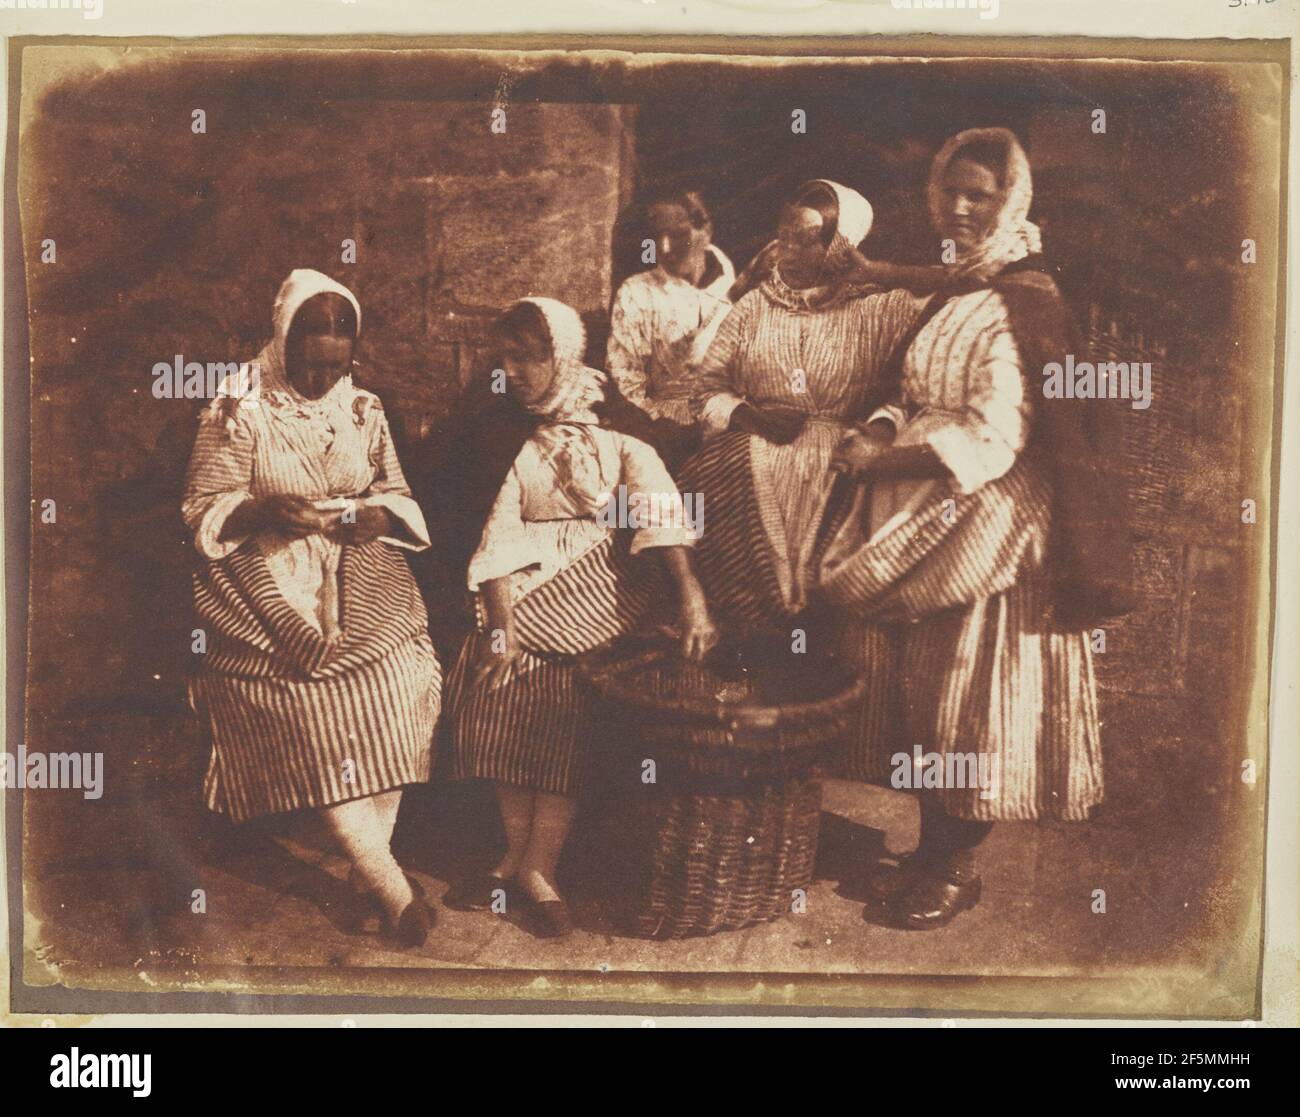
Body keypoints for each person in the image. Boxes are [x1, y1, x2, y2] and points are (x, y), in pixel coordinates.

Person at [821, 128, 1134, 929]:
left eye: (979, 195)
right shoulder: (959, 288)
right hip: (927, 501)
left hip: (990, 522)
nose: (958, 207)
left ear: (1011, 201)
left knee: (972, 696)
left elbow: (993, 437)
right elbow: (914, 384)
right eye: (949, 191)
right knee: (925, 693)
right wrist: (883, 427)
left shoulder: (1026, 300)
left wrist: (884, 463)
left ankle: (956, 865)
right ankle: (931, 851)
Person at [183, 269, 442, 948]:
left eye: (338, 363)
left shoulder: (364, 409)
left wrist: (376, 516)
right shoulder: (239, 405)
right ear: (282, 339)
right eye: (311, 363)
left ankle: (366, 881)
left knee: (405, 685)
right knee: (319, 708)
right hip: (261, 572)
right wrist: (264, 507)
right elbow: (201, 505)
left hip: (359, 569)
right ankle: (391, 885)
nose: (325, 378)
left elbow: (395, 490)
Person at [446, 297, 717, 938]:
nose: (510, 372)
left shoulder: (619, 430)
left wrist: (691, 596)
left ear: (562, 358)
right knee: (499, 677)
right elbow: (499, 535)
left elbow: (659, 513)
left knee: (564, 692)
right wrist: (501, 625)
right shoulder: (502, 435)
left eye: (525, 358)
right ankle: (514, 854)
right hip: (524, 582)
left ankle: (542, 866)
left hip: (601, 580)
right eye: (503, 358)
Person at [682, 179, 924, 625]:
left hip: (842, 455)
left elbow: (908, 392)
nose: (785, 252)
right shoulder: (754, 307)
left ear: (842, 246)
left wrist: (880, 428)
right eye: (783, 237)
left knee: (835, 592)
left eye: (805, 242)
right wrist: (747, 416)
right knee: (697, 498)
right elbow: (704, 390)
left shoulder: (886, 310)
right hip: (753, 446)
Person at [606, 190, 735, 426]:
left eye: (677, 235)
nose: (664, 248)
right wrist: (661, 427)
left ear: (705, 232)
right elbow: (625, 381)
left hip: (731, 419)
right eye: (657, 236)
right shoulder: (637, 293)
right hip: (664, 426)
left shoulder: (735, 288)